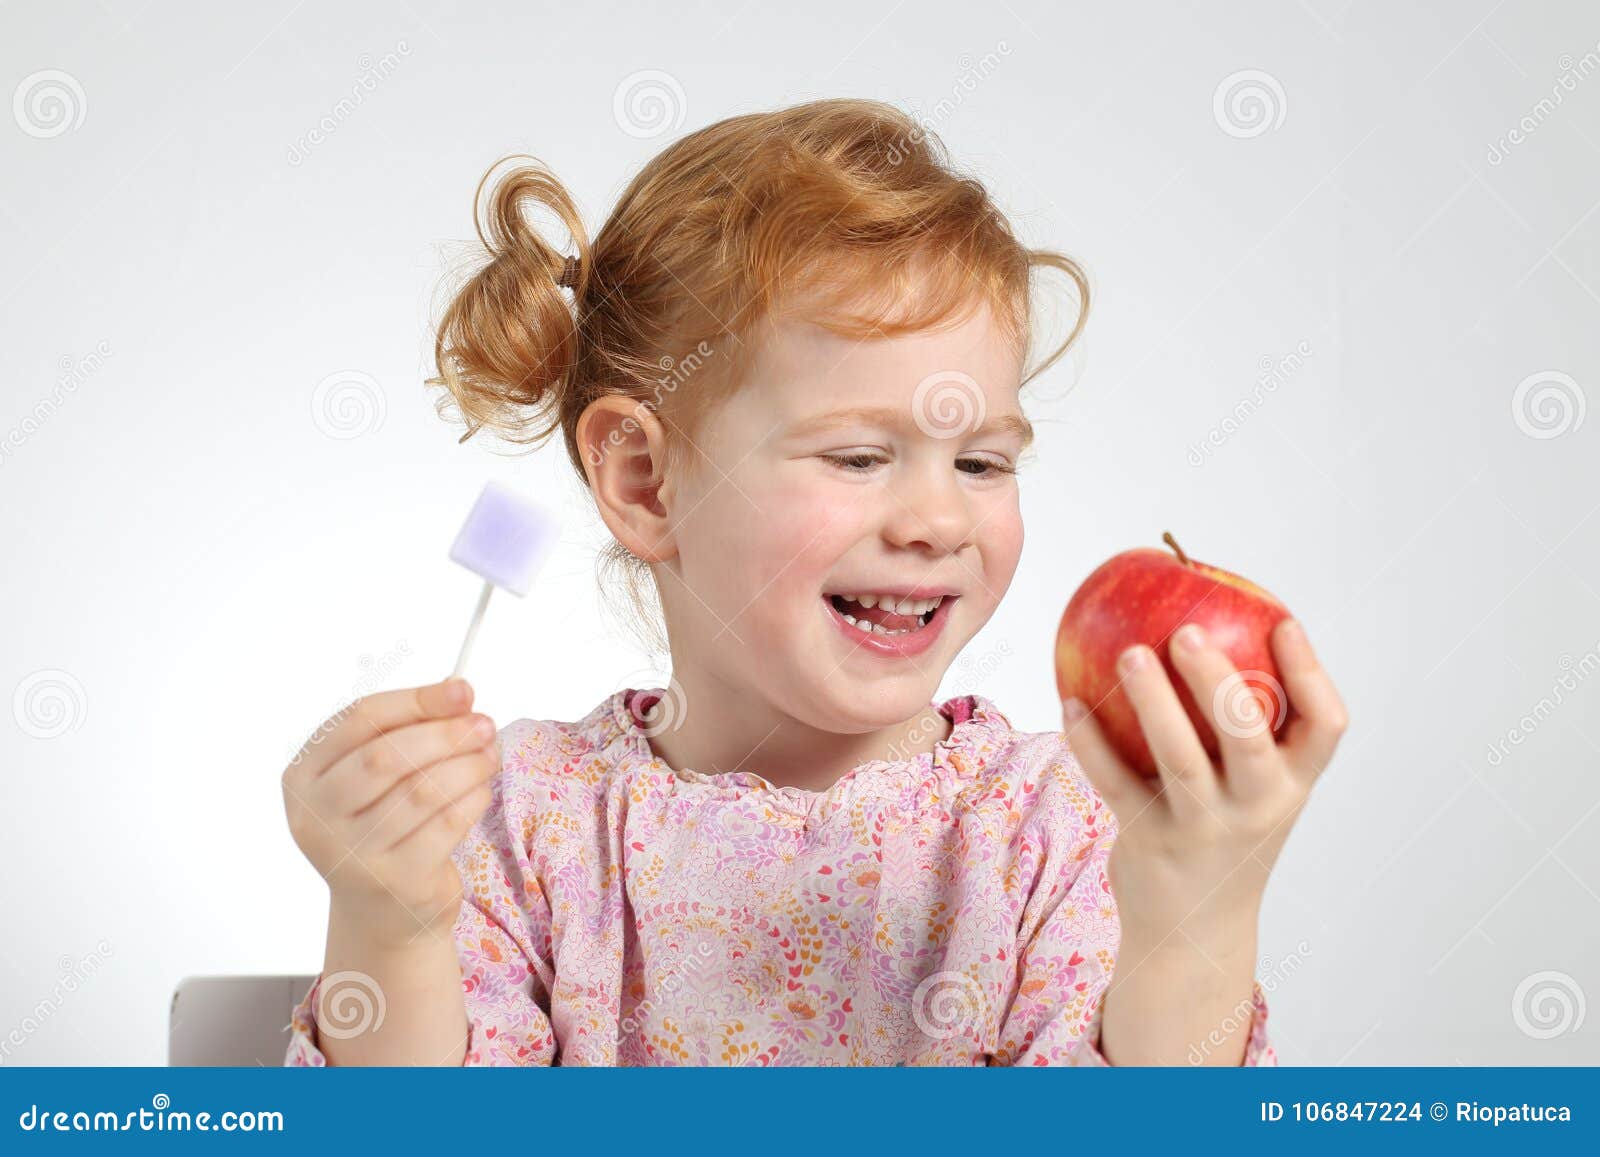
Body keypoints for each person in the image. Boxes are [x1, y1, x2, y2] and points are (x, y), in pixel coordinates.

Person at [280, 97, 1348, 1066]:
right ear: (646, 481)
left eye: (980, 461)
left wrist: (1199, 905)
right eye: (857, 456)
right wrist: (390, 922)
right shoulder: (518, 820)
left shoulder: (1058, 820)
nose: (936, 520)